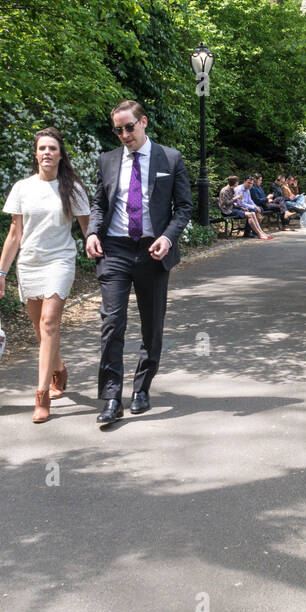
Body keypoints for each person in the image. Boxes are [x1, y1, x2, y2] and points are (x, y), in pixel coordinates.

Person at [85, 100, 193, 427]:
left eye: (129, 127)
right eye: (118, 130)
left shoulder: (170, 159)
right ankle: (111, 397)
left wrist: (168, 237)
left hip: (152, 250)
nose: (124, 135)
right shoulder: (106, 161)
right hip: (115, 250)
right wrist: (92, 232)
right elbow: (100, 205)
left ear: (143, 122)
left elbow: (184, 207)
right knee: (112, 323)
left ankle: (142, 388)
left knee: (152, 324)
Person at [0, 128, 91, 423]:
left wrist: (102, 258)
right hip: (29, 265)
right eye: (42, 148)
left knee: (50, 322)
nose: (47, 152)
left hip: (60, 261)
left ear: (61, 154)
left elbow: (89, 230)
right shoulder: (22, 188)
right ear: (35, 154)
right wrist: (0, 274)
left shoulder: (72, 188)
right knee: (39, 330)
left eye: (53, 148)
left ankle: (42, 396)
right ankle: (59, 368)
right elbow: (14, 234)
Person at [219, 174, 269, 239]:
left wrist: (241, 207)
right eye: (236, 184)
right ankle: (258, 234)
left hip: (233, 208)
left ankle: (261, 232)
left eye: (251, 183)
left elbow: (244, 202)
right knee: (251, 213)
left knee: (253, 213)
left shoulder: (233, 189)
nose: (237, 185)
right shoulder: (226, 190)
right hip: (227, 211)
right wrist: (236, 198)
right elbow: (226, 203)